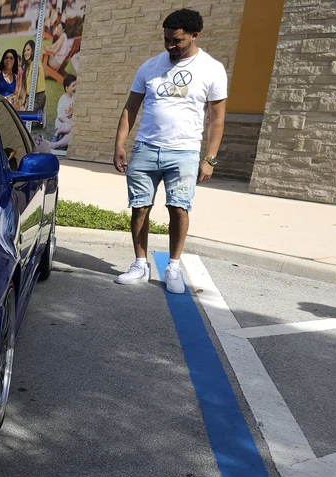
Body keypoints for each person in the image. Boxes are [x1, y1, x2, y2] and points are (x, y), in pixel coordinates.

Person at [113, 8, 227, 294]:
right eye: (166, 40)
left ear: (194, 35)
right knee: (139, 207)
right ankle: (140, 264)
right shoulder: (150, 67)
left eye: (177, 41)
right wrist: (119, 144)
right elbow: (131, 107)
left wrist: (209, 158)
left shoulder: (212, 69)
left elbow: (217, 119)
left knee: (179, 208)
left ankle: (173, 267)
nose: (170, 46)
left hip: (185, 152)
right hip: (146, 148)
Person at [18, 39, 46, 113]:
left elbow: (33, 87)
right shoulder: (27, 67)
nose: (26, 53)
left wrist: (27, 104)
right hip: (29, 97)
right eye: (25, 50)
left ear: (33, 50)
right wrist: (23, 104)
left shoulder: (36, 65)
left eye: (28, 50)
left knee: (27, 119)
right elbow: (25, 88)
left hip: (37, 98)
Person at [51, 74, 77, 149]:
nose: (75, 88)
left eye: (76, 85)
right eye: (73, 86)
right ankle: (57, 133)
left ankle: (62, 144)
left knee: (71, 128)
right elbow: (61, 117)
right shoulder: (63, 100)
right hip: (61, 124)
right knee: (69, 127)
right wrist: (70, 121)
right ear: (67, 88)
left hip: (70, 123)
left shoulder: (74, 98)